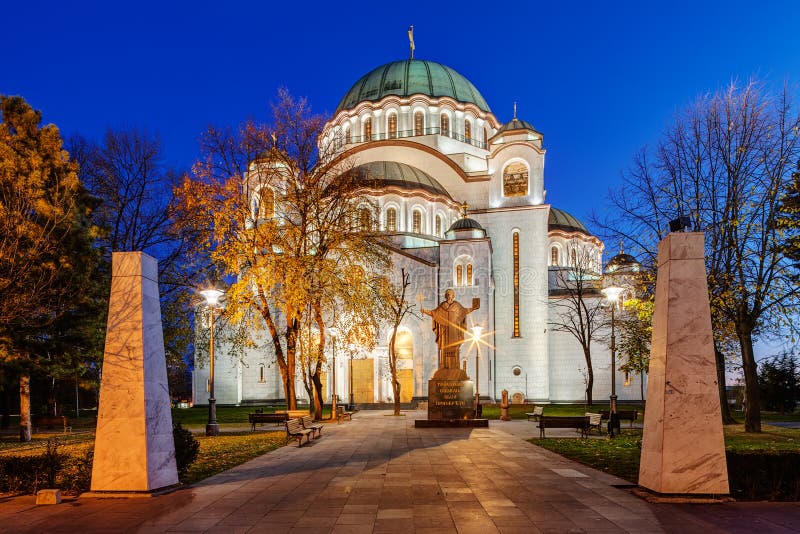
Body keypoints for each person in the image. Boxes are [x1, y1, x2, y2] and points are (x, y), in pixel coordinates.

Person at [421, 289, 480, 369]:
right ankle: (443, 366)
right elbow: (433, 313)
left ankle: (455, 366)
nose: (449, 296)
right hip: (444, 332)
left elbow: (465, 311)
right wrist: (424, 311)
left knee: (455, 348)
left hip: (454, 332)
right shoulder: (442, 306)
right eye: (448, 294)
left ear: (453, 296)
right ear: (446, 296)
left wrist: (473, 308)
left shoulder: (457, 306)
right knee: (444, 349)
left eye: (451, 294)